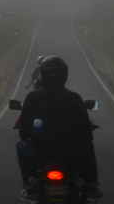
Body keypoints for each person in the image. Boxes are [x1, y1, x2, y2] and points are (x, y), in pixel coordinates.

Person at [14, 55, 102, 201]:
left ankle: (29, 181)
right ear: (65, 75)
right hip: (69, 152)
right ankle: (91, 183)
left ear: (43, 75)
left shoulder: (32, 97)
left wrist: (30, 134)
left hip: (42, 151)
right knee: (87, 147)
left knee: (22, 146)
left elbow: (23, 130)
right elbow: (86, 131)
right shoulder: (74, 98)